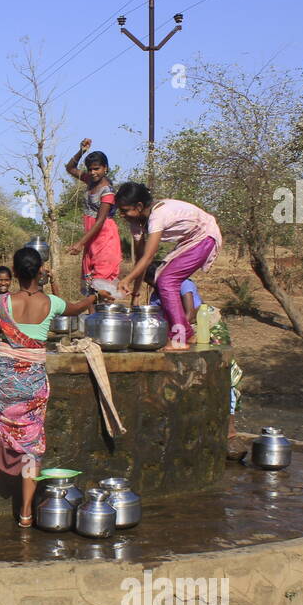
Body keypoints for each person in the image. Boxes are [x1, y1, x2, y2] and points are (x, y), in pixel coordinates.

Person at [0, 247, 97, 530]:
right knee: (31, 445)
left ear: (13, 273)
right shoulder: (53, 302)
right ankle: (26, 514)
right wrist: (94, 296)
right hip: (33, 381)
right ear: (41, 272)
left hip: (2, 380)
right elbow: (76, 308)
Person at [115, 183, 223, 352]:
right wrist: (135, 294)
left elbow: (149, 256)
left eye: (125, 210)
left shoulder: (158, 215)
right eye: (120, 210)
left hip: (204, 236)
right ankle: (187, 334)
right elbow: (141, 262)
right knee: (164, 278)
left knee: (167, 281)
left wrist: (126, 279)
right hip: (190, 241)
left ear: (139, 206)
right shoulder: (136, 222)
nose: (121, 215)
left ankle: (180, 339)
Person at [147, 262, 242, 440]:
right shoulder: (156, 293)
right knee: (186, 372)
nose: (151, 285)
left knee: (221, 371)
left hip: (206, 327)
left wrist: (174, 338)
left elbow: (189, 314)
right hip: (180, 332)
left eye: (151, 280)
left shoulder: (183, 283)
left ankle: (229, 425)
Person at [64, 139, 122, 308]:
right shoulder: (90, 181)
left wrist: (80, 243)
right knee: (90, 283)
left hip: (104, 238)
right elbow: (70, 168)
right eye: (90, 169)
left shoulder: (107, 190)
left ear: (105, 168)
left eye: (97, 168)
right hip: (91, 239)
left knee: (102, 282)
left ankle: (104, 323)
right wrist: (81, 151)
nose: (93, 172)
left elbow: (100, 221)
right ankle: (92, 325)